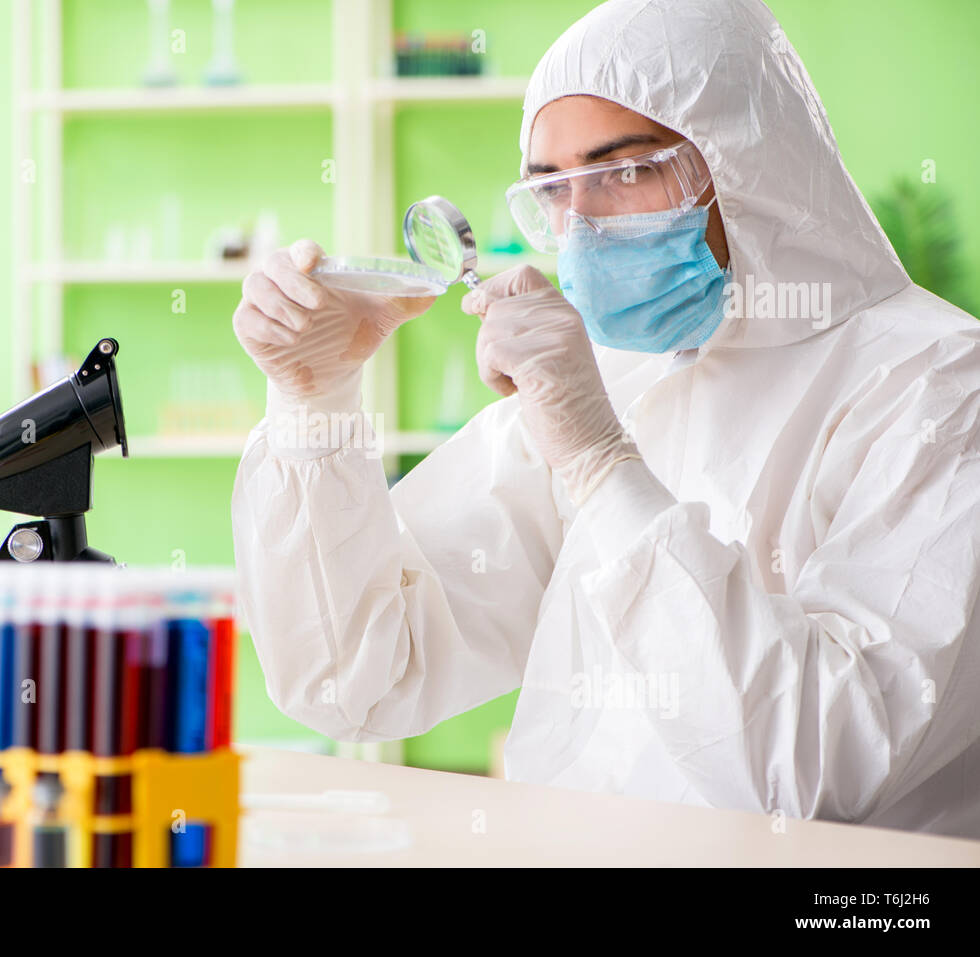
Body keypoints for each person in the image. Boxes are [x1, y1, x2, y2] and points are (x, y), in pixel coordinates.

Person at [229, 0, 980, 838]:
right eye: (552, 189)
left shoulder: (938, 385)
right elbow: (362, 673)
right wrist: (313, 403)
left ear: (746, 161)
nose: (578, 229)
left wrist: (602, 466)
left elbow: (814, 771)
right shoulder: (614, 381)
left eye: (622, 173)